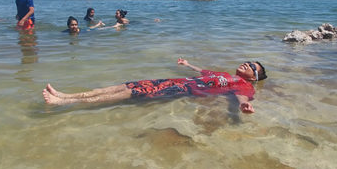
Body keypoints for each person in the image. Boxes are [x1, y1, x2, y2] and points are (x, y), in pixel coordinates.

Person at [42, 58, 267, 113]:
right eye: (247, 61)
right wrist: (187, 64)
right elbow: (202, 72)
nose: (246, 64)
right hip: (172, 81)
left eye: (251, 66)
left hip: (180, 90)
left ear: (255, 77)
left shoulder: (246, 86)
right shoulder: (224, 74)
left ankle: (65, 103)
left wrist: (243, 107)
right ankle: (65, 95)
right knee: (123, 86)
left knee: (128, 93)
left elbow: (242, 97)